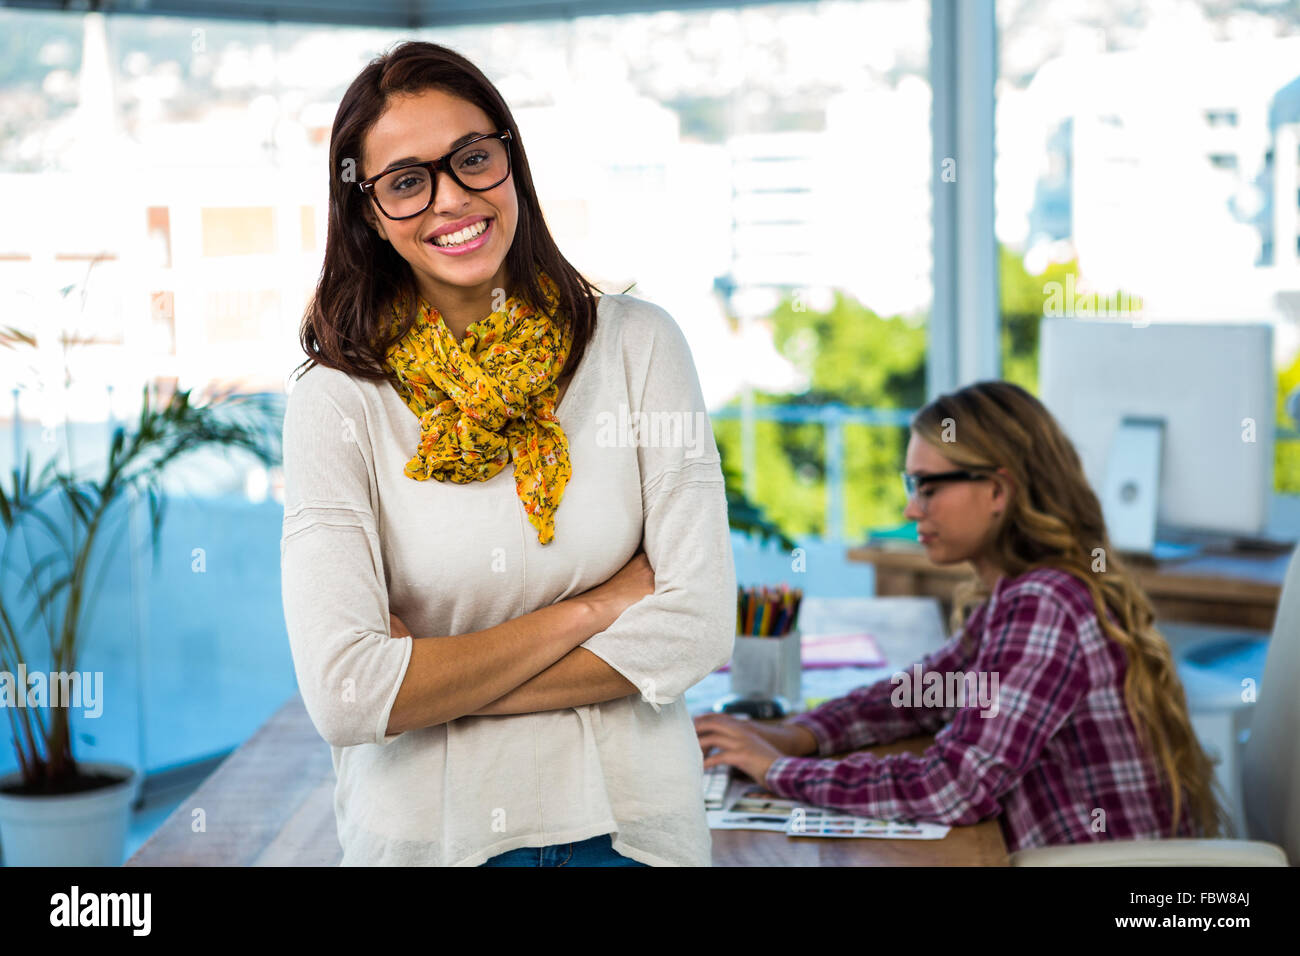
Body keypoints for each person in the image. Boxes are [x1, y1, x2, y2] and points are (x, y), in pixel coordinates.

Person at [280, 40, 735, 867]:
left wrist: (428, 685)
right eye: (408, 180)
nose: (452, 198)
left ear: (511, 165)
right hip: (430, 839)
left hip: (630, 829)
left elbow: (699, 624)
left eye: (474, 159)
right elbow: (347, 694)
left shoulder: (639, 347)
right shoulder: (336, 401)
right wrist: (594, 608)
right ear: (370, 215)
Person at [695, 380, 1230, 853]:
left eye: (929, 486)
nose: (911, 509)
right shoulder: (1022, 594)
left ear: (997, 490)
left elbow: (954, 785)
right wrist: (801, 734)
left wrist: (778, 769)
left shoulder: (1045, 603)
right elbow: (916, 696)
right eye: (912, 486)